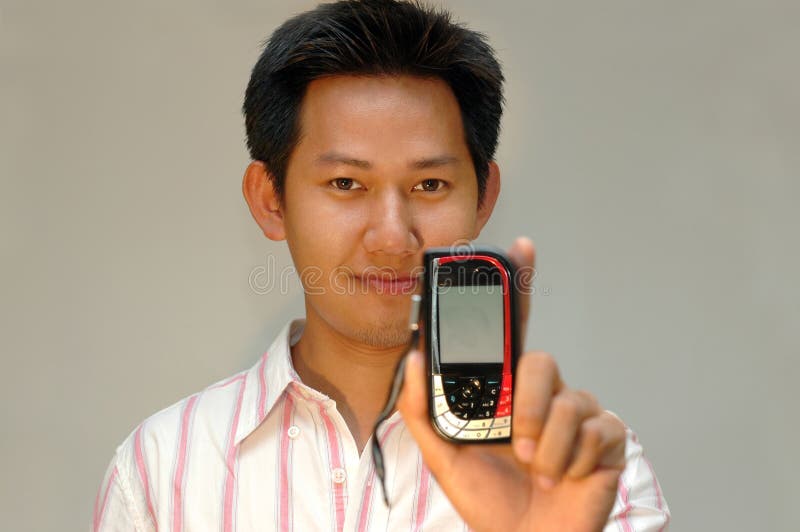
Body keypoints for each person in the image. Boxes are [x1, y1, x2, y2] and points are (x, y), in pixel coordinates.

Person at [93, 1, 670, 530]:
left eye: (429, 184)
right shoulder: (163, 471)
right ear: (271, 200)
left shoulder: (588, 470)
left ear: (483, 198)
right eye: (346, 183)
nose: (393, 238)